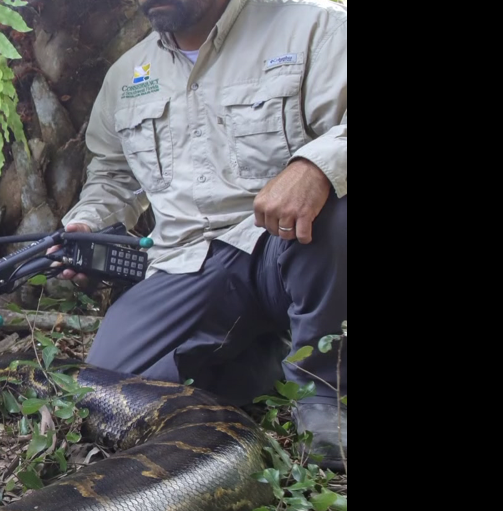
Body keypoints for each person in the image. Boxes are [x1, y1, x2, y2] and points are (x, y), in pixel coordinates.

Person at [61, 0, 347, 468]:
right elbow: (112, 175)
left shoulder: (314, 27)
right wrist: (87, 222)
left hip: (285, 242)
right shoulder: (127, 74)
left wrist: (314, 166)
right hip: (186, 261)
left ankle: (326, 397)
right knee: (106, 391)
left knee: (340, 206)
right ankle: (261, 362)